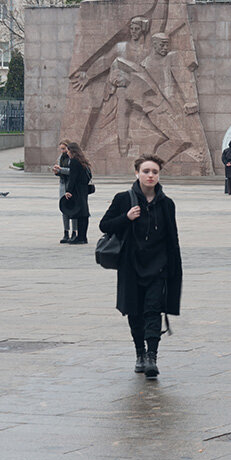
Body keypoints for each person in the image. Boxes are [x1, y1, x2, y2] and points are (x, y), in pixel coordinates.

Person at [98, 154, 182, 380]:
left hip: (158, 267)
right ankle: (140, 354)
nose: (150, 175)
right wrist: (126, 217)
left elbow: (172, 238)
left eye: (154, 172)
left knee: (153, 311)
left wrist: (174, 269)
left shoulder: (166, 203)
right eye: (146, 171)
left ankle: (152, 357)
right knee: (134, 312)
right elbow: (104, 225)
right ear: (137, 173)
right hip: (131, 266)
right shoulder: (123, 199)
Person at [61, 142, 93, 244]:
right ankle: (83, 237)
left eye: (68, 151)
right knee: (84, 213)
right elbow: (89, 175)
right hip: (83, 189)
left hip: (77, 189)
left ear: (72, 151)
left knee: (80, 213)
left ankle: (80, 238)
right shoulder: (83, 161)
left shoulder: (74, 161)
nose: (68, 153)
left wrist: (68, 191)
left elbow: (72, 177)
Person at [52, 140, 76, 242]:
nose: (62, 151)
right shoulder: (60, 158)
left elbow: (72, 171)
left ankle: (74, 232)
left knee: (74, 210)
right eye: (61, 149)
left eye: (64, 148)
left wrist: (61, 169)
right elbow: (60, 171)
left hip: (71, 186)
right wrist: (57, 171)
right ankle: (66, 232)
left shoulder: (72, 158)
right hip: (63, 186)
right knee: (64, 209)